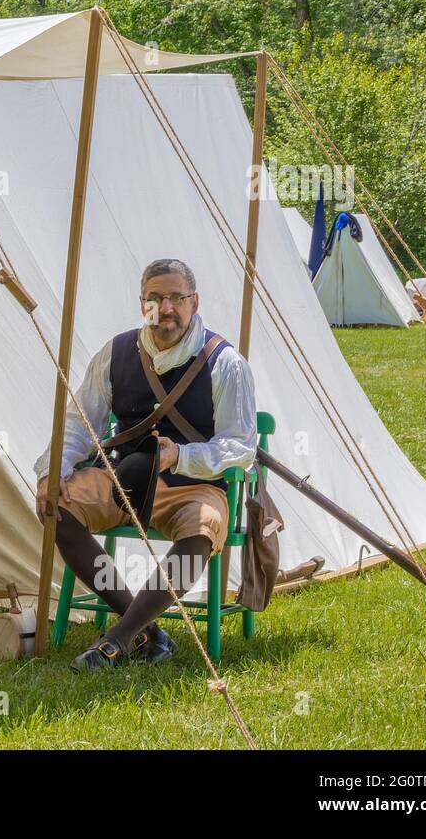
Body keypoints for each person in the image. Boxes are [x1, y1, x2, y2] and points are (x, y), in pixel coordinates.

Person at [34, 258, 257, 671]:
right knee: (55, 505)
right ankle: (147, 630)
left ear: (194, 302)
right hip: (124, 477)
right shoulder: (116, 353)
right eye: (155, 299)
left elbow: (240, 447)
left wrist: (182, 456)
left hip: (195, 485)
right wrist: (54, 468)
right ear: (143, 305)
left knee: (203, 526)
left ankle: (117, 639)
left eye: (176, 297)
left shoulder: (226, 363)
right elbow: (79, 423)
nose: (166, 308)